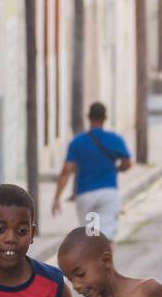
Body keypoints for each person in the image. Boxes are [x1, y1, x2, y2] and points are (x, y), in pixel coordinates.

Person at [52, 102, 133, 242]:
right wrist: (116, 169)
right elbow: (127, 163)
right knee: (106, 237)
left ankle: (92, 262)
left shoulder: (77, 142)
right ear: (105, 118)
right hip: (108, 194)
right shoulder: (115, 140)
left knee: (90, 238)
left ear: (88, 118)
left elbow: (66, 170)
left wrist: (57, 198)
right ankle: (106, 261)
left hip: (85, 195)